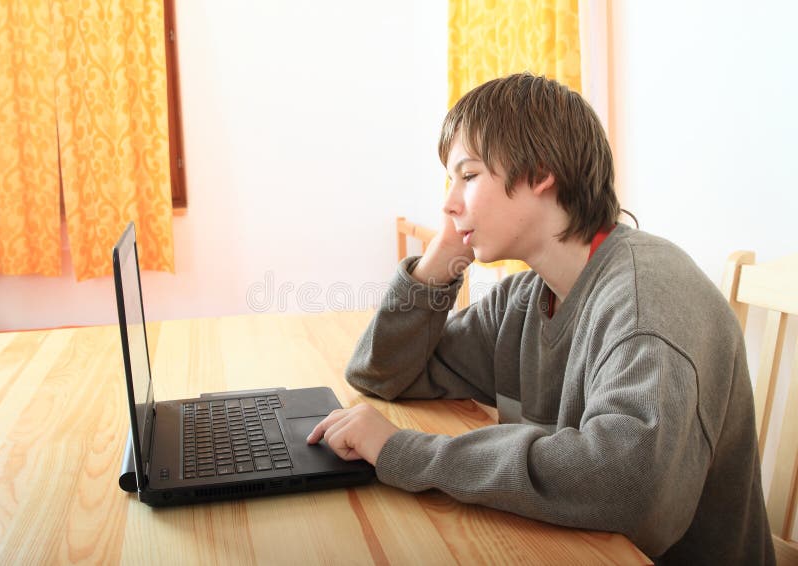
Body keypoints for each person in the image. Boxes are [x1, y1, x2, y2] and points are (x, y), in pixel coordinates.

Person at [306, 73, 774, 565]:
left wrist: (405, 452)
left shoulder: (647, 305)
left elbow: (629, 489)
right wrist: (442, 256)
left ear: (540, 173)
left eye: (467, 176)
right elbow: (380, 373)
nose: (448, 202)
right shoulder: (527, 298)